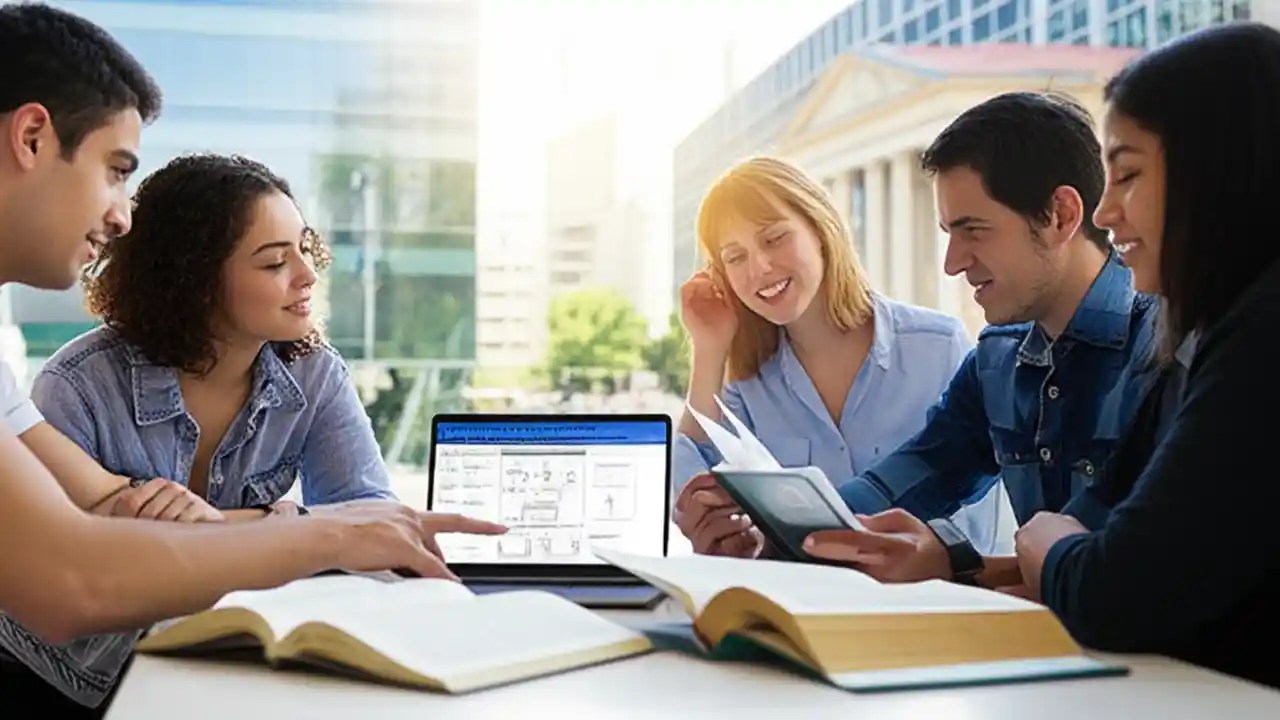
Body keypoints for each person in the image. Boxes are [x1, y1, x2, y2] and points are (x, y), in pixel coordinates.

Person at [0, 2, 492, 706]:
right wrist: (314, 531)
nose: (121, 213)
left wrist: (321, 529)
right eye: (115, 170)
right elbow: (72, 577)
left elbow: (105, 506)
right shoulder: (81, 380)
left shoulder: (310, 373)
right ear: (33, 136)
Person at [684, 93, 1162, 587]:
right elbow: (904, 480)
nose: (953, 263)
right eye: (948, 234)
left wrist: (956, 567)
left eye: (973, 230)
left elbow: (1127, 570)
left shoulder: (1168, 347)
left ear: (1061, 215)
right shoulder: (997, 360)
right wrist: (770, 534)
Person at [1009, 21, 1280, 689]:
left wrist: (1049, 551)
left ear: (1219, 168)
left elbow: (1117, 592)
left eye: (1127, 174)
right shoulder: (1201, 331)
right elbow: (1115, 515)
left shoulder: (1264, 334)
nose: (1106, 212)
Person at [671, 156, 1002, 554]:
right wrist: (709, 348)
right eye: (735, 257)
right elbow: (689, 476)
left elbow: (981, 522)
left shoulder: (937, 346)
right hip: (806, 606)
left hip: (930, 603)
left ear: (820, 229)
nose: (759, 267)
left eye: (774, 238)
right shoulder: (749, 382)